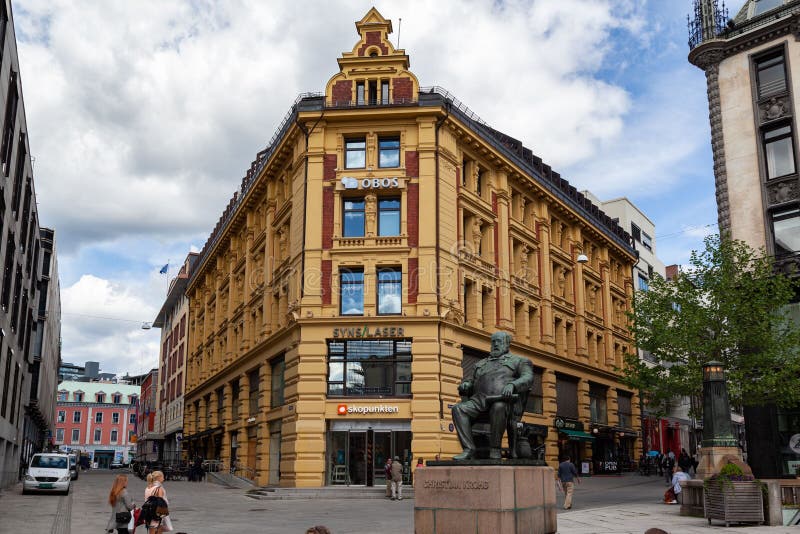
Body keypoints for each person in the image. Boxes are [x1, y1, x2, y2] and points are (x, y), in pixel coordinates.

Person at [451, 331, 534, 460]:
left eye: (499, 341)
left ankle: (495, 449)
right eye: (493, 341)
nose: (495, 344)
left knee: (498, 407)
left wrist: (513, 385)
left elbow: (528, 378)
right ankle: (469, 449)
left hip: (504, 401)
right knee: (458, 409)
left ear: (507, 344)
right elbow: (470, 381)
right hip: (479, 401)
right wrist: (466, 385)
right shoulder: (480, 364)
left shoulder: (519, 361)